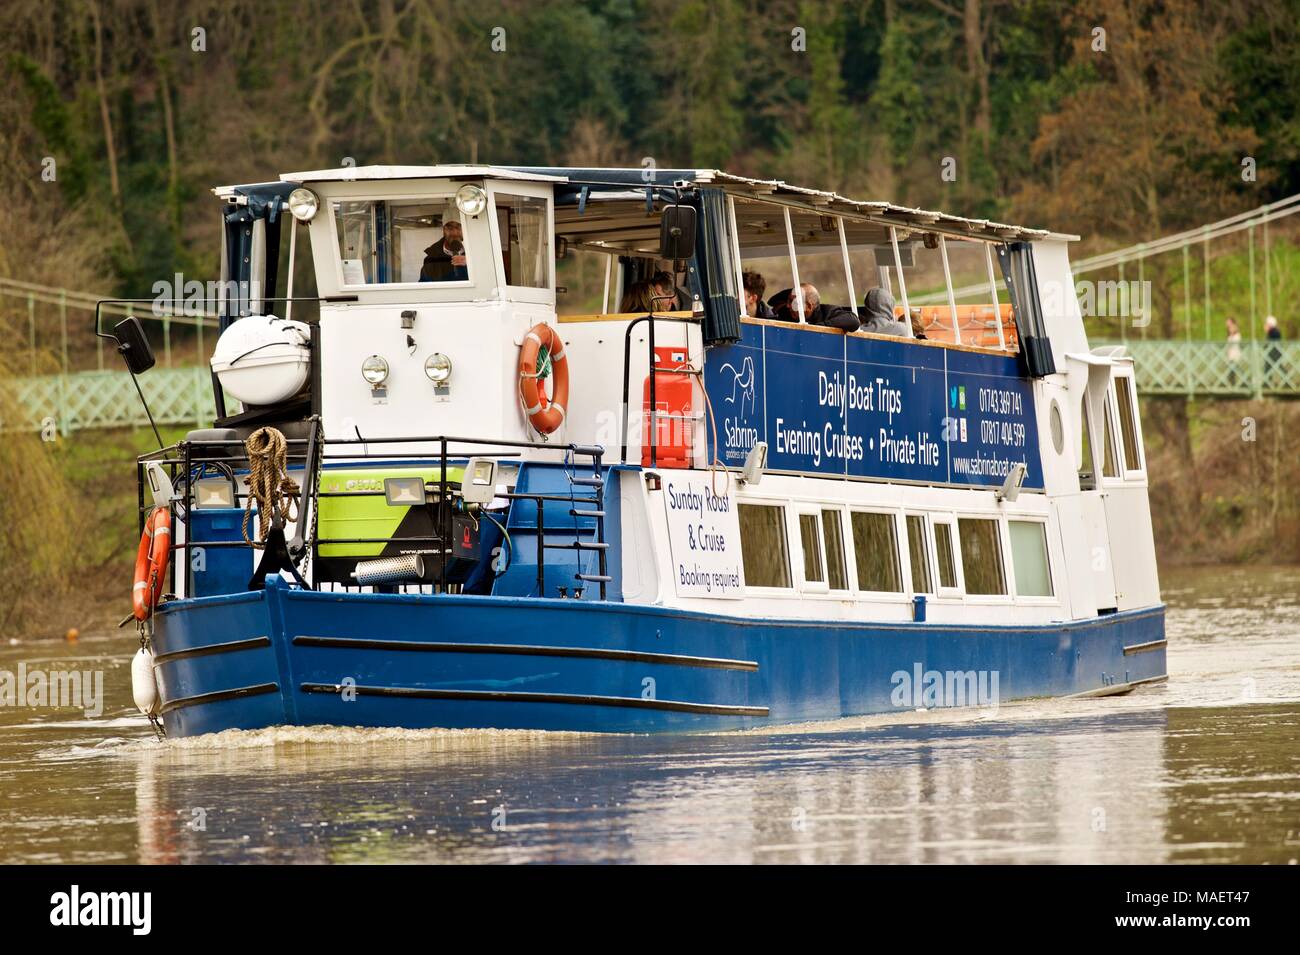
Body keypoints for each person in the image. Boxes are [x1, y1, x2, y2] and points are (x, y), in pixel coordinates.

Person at [783, 283, 860, 332]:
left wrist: (818, 328)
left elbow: (853, 320)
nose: (788, 306)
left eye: (793, 303)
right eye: (788, 301)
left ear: (809, 306)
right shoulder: (787, 314)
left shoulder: (827, 311)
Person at [1226, 316, 1243, 386]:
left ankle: (1234, 383)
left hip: (1235, 354)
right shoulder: (1230, 335)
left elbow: (1235, 344)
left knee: (1234, 369)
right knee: (1233, 370)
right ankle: (1233, 383)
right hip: (1230, 355)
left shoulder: (1237, 335)